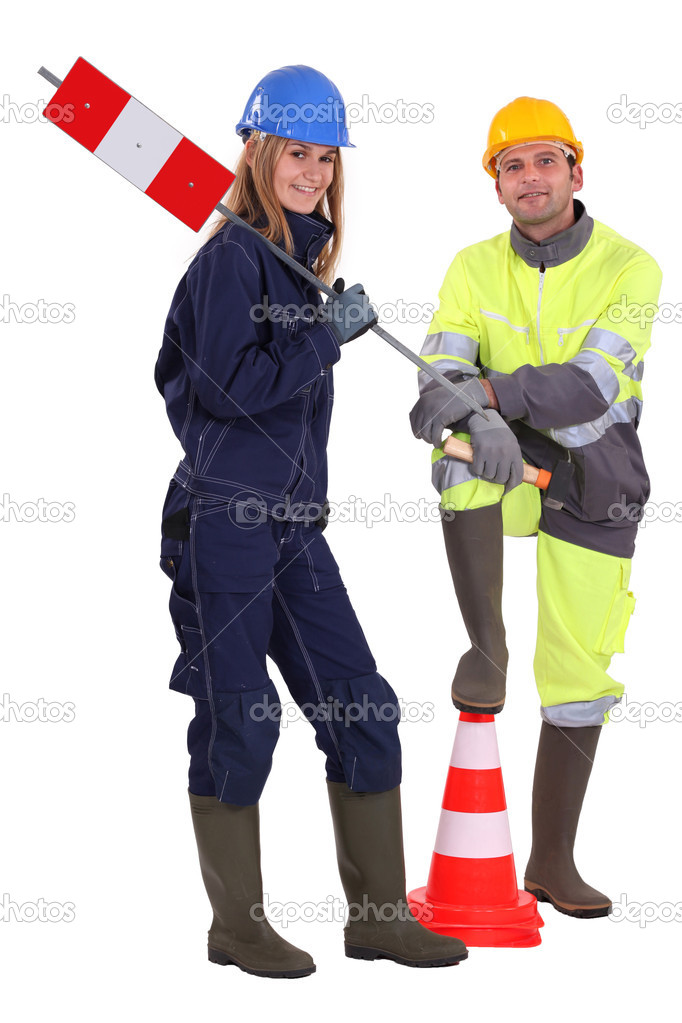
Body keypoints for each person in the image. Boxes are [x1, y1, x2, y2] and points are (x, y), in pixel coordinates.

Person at [155, 64, 467, 977]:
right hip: (225, 522)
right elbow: (225, 390)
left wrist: (315, 323)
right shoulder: (231, 258)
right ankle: (237, 927)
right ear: (258, 152)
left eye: (326, 157)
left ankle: (378, 918)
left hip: (294, 528)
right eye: (296, 152)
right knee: (241, 717)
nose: (314, 171)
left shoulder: (292, 262)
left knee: (362, 705)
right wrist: (325, 338)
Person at [409, 96, 662, 919]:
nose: (529, 177)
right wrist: (477, 418)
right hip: (507, 467)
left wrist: (487, 396)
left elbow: (592, 383)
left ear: (575, 172)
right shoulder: (471, 267)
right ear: (497, 187)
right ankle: (487, 651)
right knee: (458, 459)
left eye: (545, 160)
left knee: (581, 670)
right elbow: (440, 370)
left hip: (596, 481)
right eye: (511, 166)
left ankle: (552, 860)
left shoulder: (632, 267)